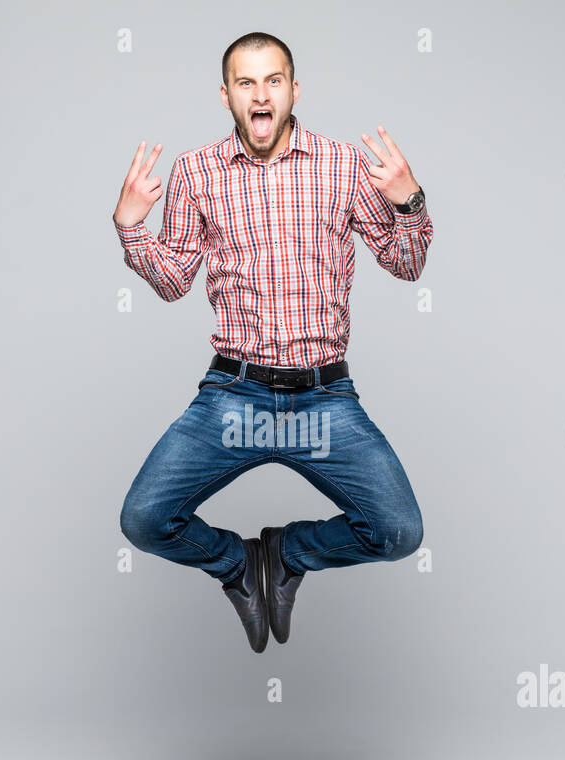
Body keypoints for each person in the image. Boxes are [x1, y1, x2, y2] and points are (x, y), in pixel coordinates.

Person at [113, 31, 434, 653]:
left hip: (322, 402)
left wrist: (409, 202)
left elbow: (406, 264)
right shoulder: (198, 171)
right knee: (145, 519)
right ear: (227, 96)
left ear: (293, 89)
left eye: (273, 80)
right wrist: (130, 228)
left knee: (397, 532)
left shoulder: (343, 166)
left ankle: (285, 554)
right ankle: (237, 565)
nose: (260, 95)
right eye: (245, 82)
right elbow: (175, 279)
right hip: (234, 398)